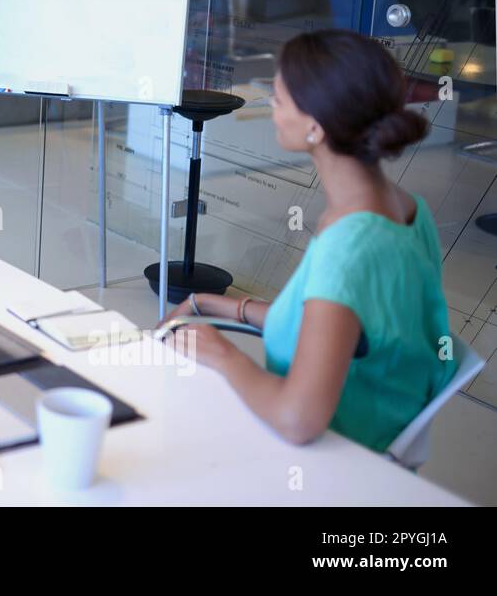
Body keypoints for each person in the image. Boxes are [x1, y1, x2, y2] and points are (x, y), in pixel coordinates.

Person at [160, 29, 458, 452]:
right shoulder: (407, 209)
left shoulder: (350, 243)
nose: (272, 111)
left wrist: (223, 356)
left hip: (334, 461)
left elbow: (298, 420)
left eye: (279, 100)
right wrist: (212, 304)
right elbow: (339, 326)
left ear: (316, 125)